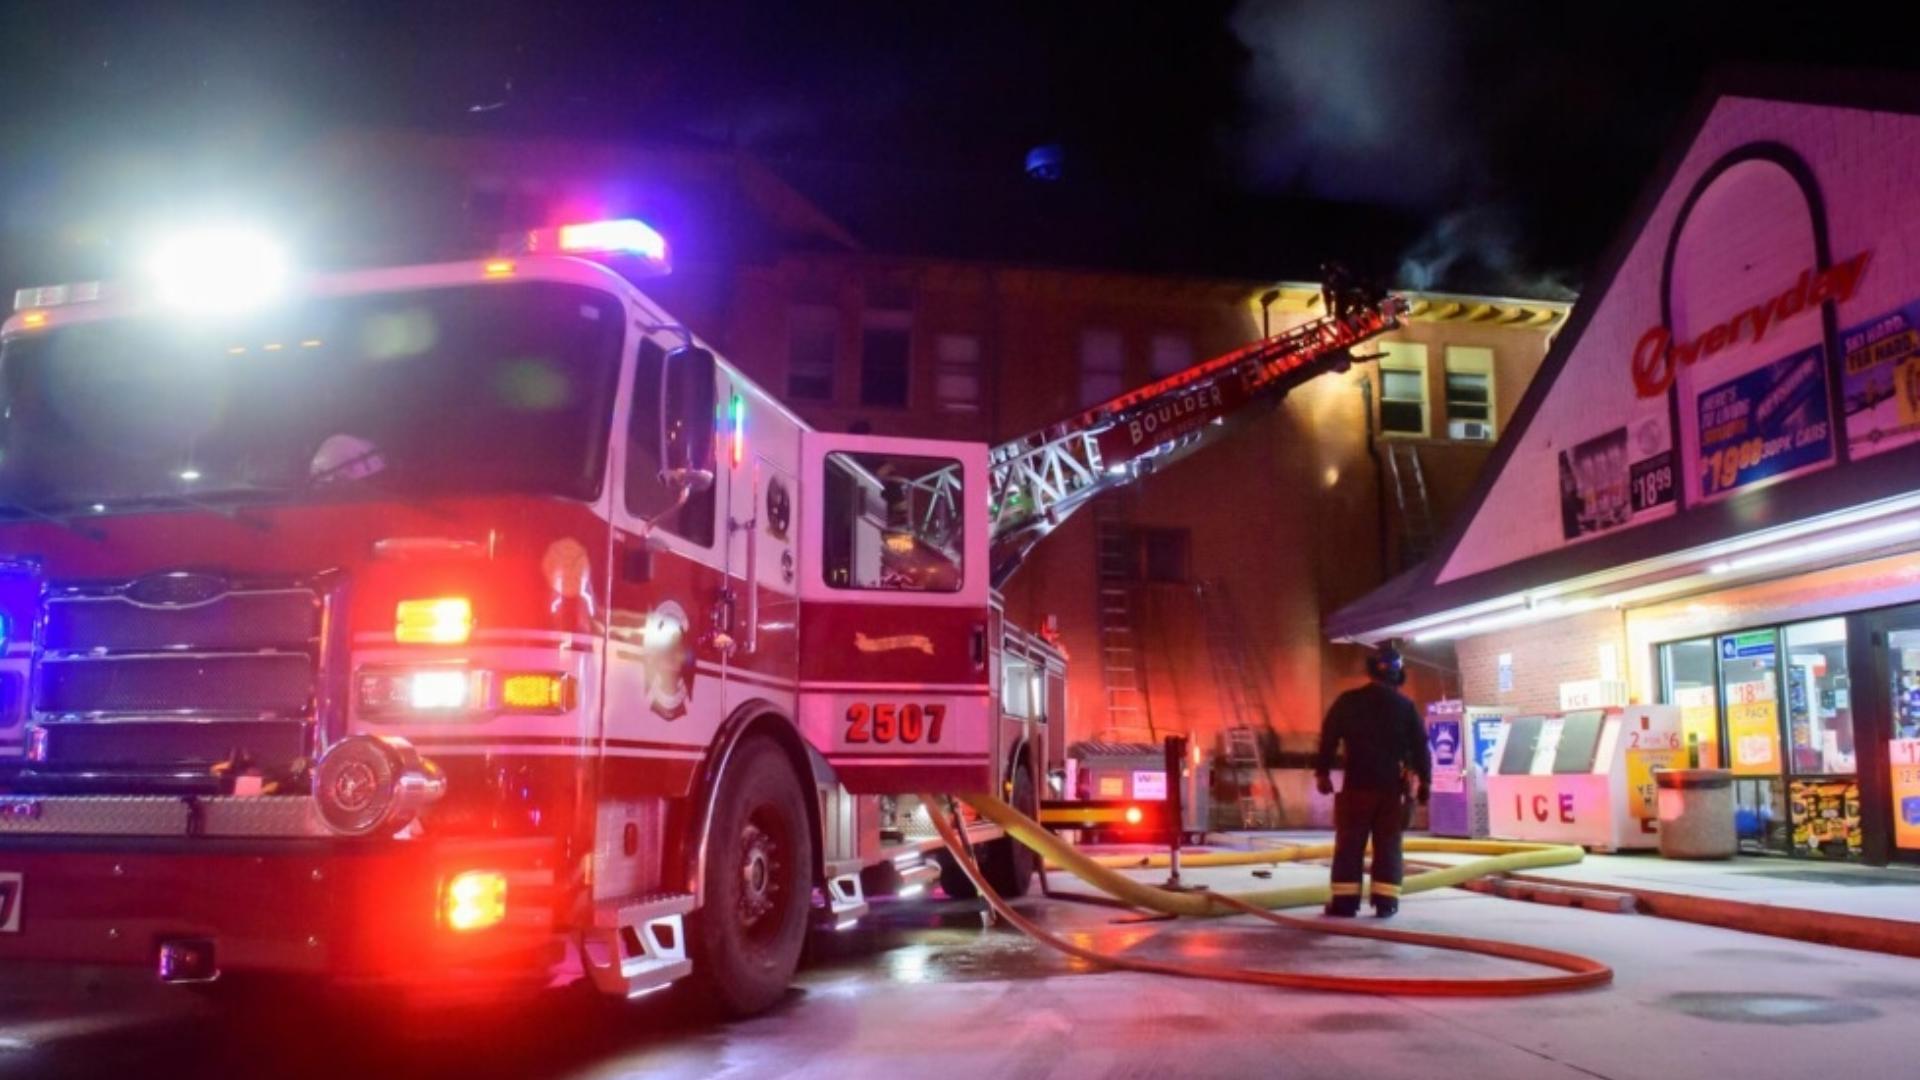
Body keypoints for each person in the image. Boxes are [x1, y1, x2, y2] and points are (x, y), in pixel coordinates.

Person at [1313, 644, 1431, 918]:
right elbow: (1421, 747)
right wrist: (1426, 781)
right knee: (1389, 846)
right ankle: (1386, 903)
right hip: (1391, 791)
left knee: (1349, 845)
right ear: (1399, 675)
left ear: (1370, 670)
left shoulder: (1348, 701)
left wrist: (1323, 773)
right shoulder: (1406, 707)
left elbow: (1328, 738)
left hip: (1356, 787)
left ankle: (1344, 903)